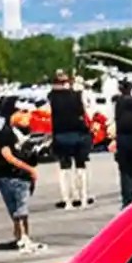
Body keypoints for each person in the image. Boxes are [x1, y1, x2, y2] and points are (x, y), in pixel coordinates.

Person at [0, 101, 45, 253]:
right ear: (14, 115)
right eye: (23, 112)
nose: (27, 116)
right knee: (20, 207)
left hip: (16, 175)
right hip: (8, 174)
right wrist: (29, 169)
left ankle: (20, 236)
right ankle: (23, 237)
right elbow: (7, 156)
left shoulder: (25, 134)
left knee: (18, 207)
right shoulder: (6, 134)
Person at [48, 70, 95, 209]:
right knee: (81, 168)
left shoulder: (52, 97)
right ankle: (84, 198)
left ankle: (67, 200)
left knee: (64, 169)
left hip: (61, 134)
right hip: (79, 133)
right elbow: (85, 111)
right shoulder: (76, 95)